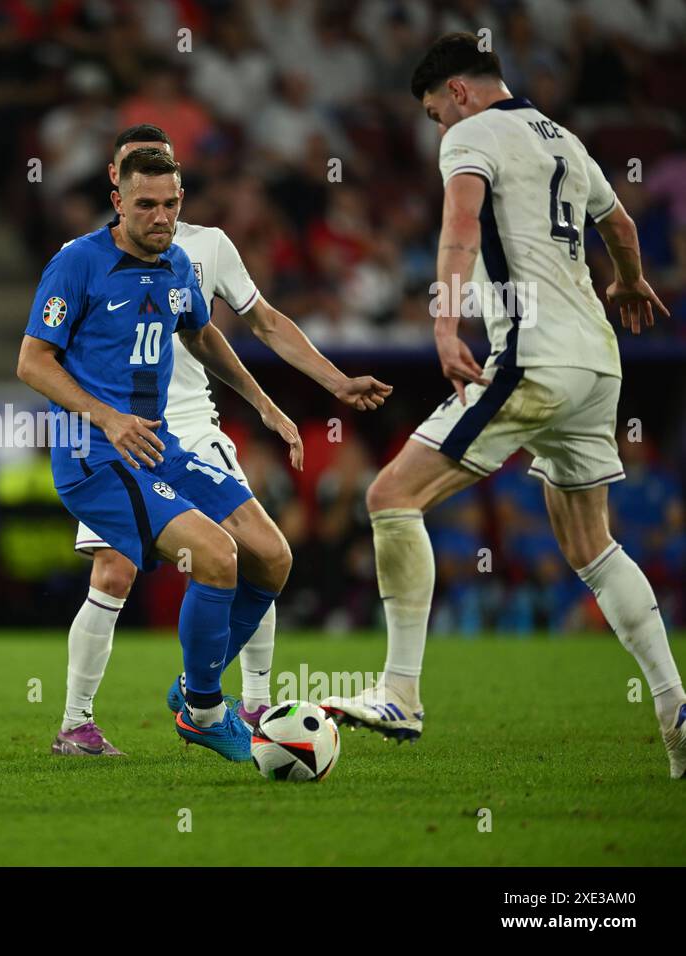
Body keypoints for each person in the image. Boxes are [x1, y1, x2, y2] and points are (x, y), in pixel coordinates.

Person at [322, 33, 686, 779]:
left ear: (457, 92)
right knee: (591, 545)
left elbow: (459, 226)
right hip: (597, 362)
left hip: (533, 355)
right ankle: (675, 703)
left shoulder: (472, 135)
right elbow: (618, 225)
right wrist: (627, 280)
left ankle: (399, 690)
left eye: (432, 112)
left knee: (391, 495)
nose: (436, 129)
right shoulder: (565, 138)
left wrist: (444, 321)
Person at [52, 126, 390, 757]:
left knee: (267, 554)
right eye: (141, 193)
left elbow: (246, 325)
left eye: (168, 198)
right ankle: (83, 720)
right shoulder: (82, 258)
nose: (157, 211)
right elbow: (38, 357)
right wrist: (99, 419)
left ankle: (238, 695)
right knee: (119, 568)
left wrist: (277, 400)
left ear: (180, 189)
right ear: (116, 185)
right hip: (112, 439)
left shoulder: (198, 251)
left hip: (192, 430)